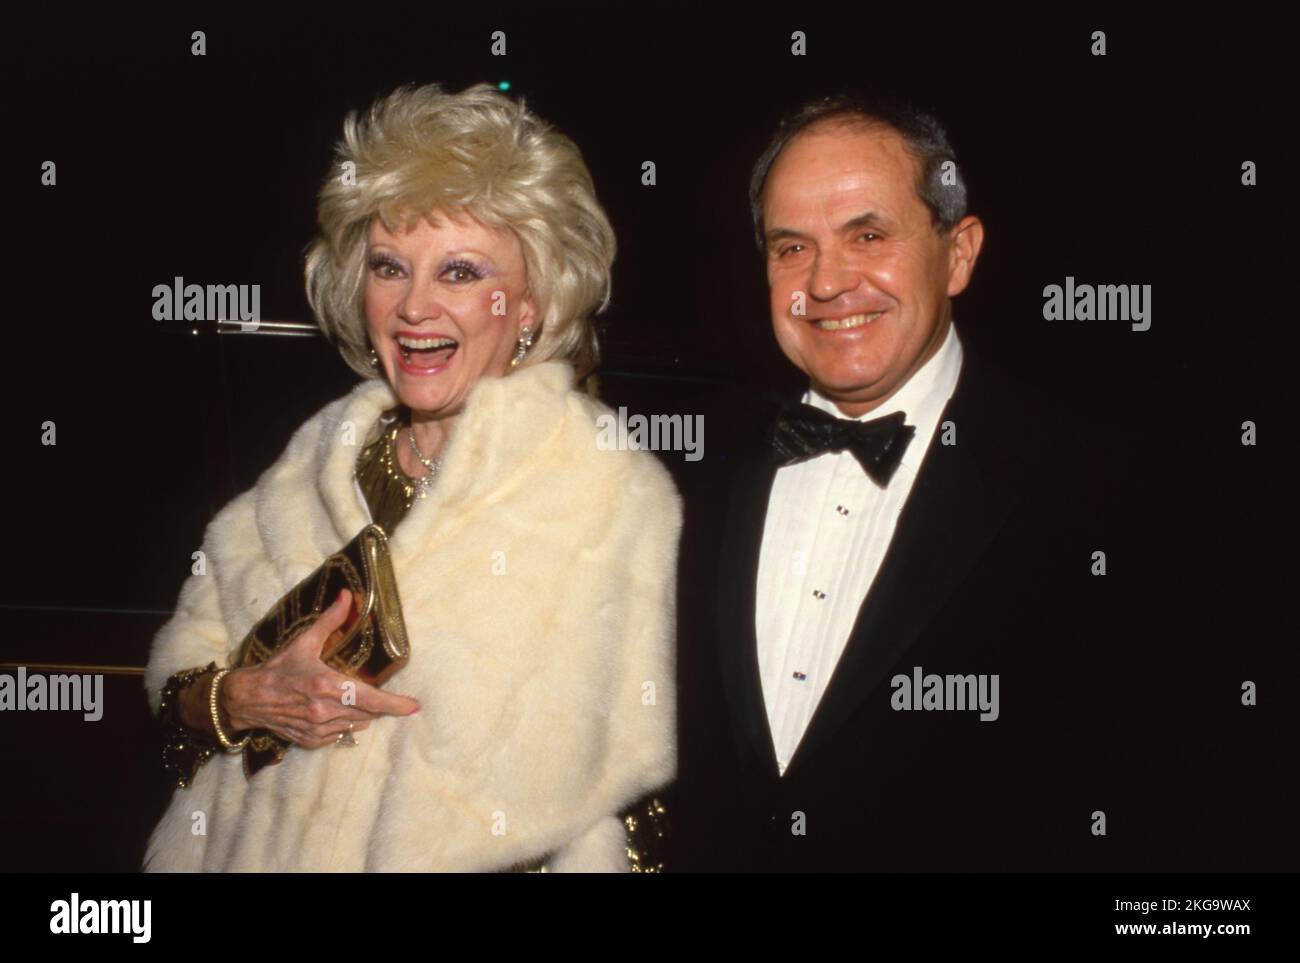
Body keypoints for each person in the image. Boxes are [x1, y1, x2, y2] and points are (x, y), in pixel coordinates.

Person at [143, 82, 679, 872]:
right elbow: (176, 697)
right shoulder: (308, 468)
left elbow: (634, 822)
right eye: (390, 267)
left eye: (460, 272)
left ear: (530, 301)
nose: (415, 306)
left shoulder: (604, 494)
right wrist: (238, 698)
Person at [670, 93, 1118, 871]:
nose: (829, 280)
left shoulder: (1092, 491)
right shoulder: (692, 467)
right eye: (790, 248)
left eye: (868, 235)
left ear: (960, 252)